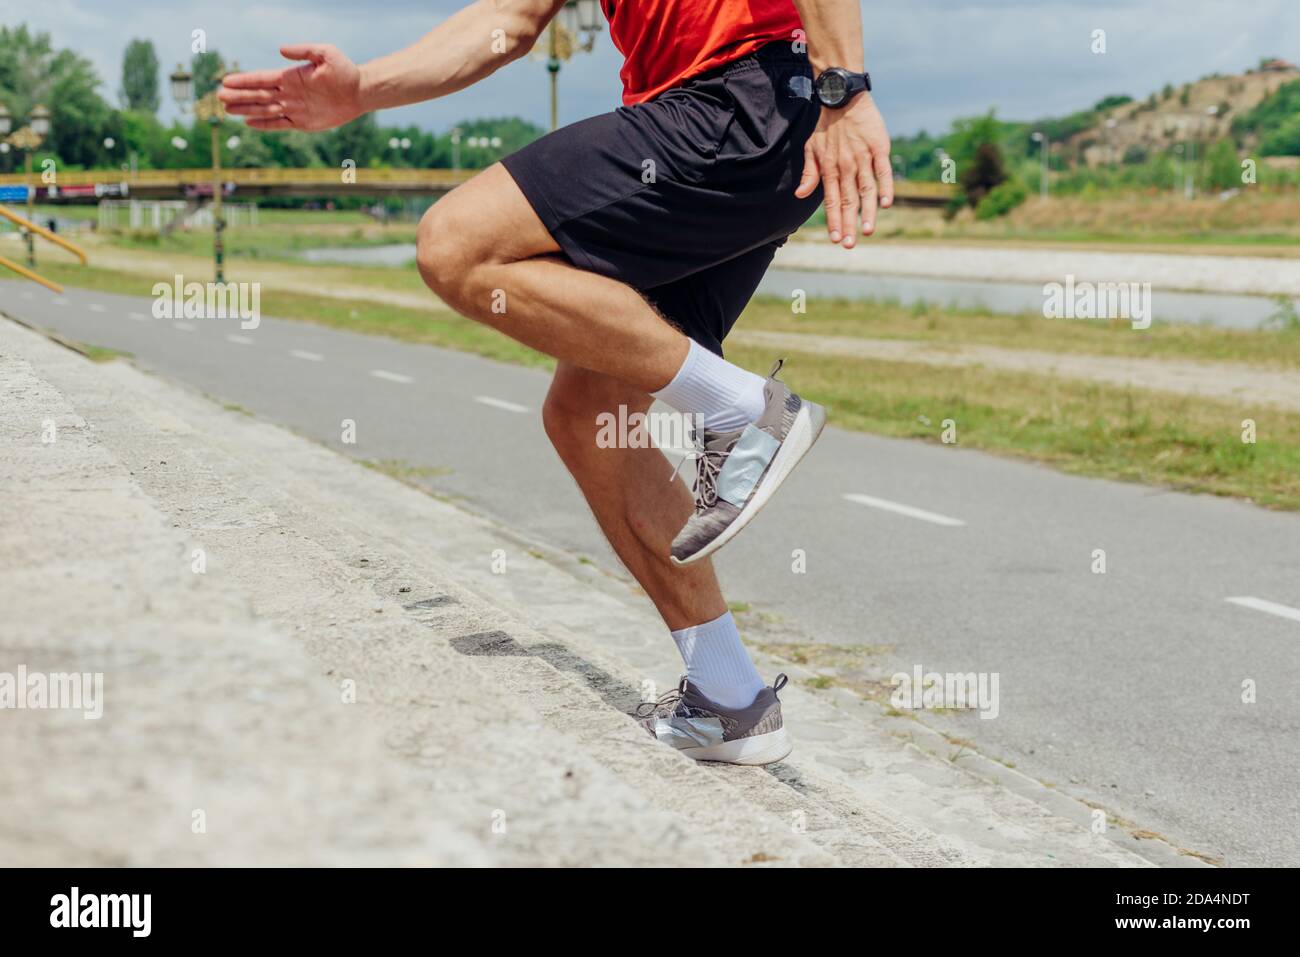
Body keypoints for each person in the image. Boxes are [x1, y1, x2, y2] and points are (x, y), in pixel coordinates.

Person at [219, 0, 892, 765]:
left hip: (746, 100)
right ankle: (733, 699)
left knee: (457, 243)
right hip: (732, 126)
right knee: (586, 415)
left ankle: (741, 410)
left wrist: (846, 87)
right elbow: (509, 19)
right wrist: (363, 88)